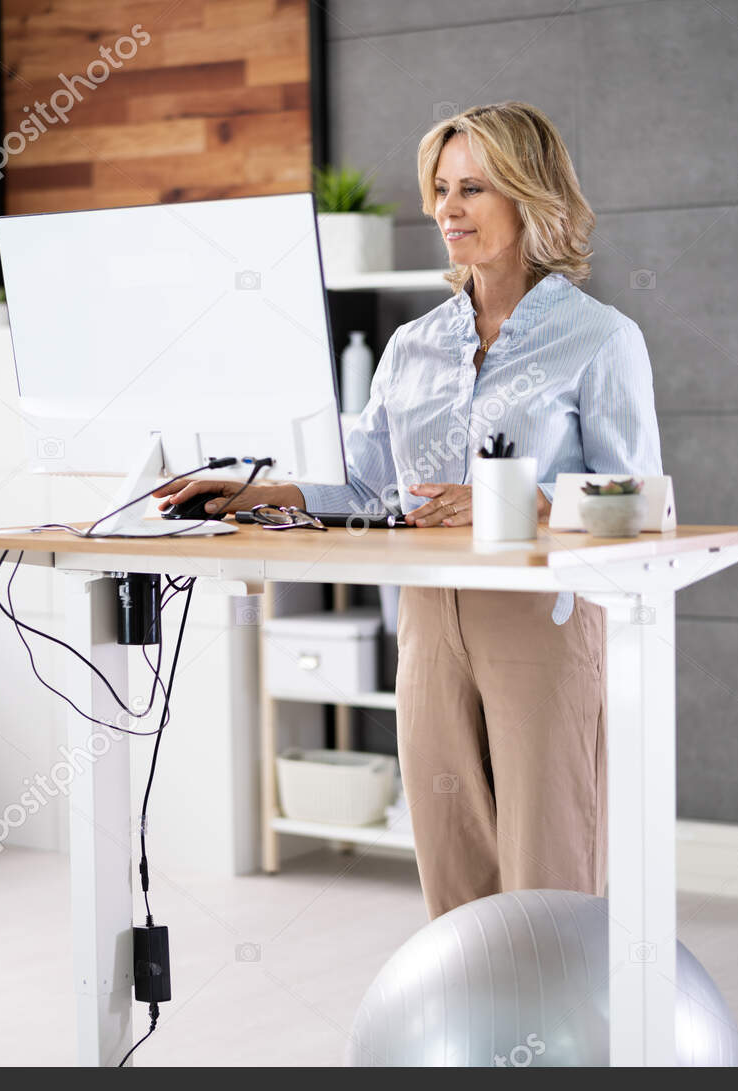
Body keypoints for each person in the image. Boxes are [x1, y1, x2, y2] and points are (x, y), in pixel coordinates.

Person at [153, 101, 663, 919]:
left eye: (472, 189)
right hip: (427, 620)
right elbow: (366, 494)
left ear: (531, 197)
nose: (446, 210)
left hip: (544, 624)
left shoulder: (601, 339)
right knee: (451, 867)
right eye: (439, 188)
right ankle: (477, 1040)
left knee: (548, 870)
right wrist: (264, 493)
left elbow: (639, 498)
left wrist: (517, 500)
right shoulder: (413, 346)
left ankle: (561, 1041)